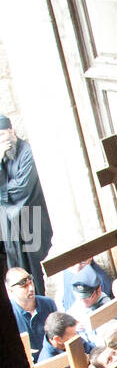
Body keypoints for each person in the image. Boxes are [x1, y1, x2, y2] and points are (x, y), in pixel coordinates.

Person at [0, 116, 53, 294]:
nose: (2, 140)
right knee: (19, 274)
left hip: (32, 219)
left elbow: (23, 189)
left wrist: (3, 196)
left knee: (36, 273)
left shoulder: (27, 152)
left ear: (11, 131)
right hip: (11, 226)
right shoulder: (2, 158)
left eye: (2, 134)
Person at [7, 266, 56, 359]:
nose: (30, 288)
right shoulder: (8, 316)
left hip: (54, 360)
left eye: (31, 282)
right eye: (24, 286)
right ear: (11, 291)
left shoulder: (48, 304)